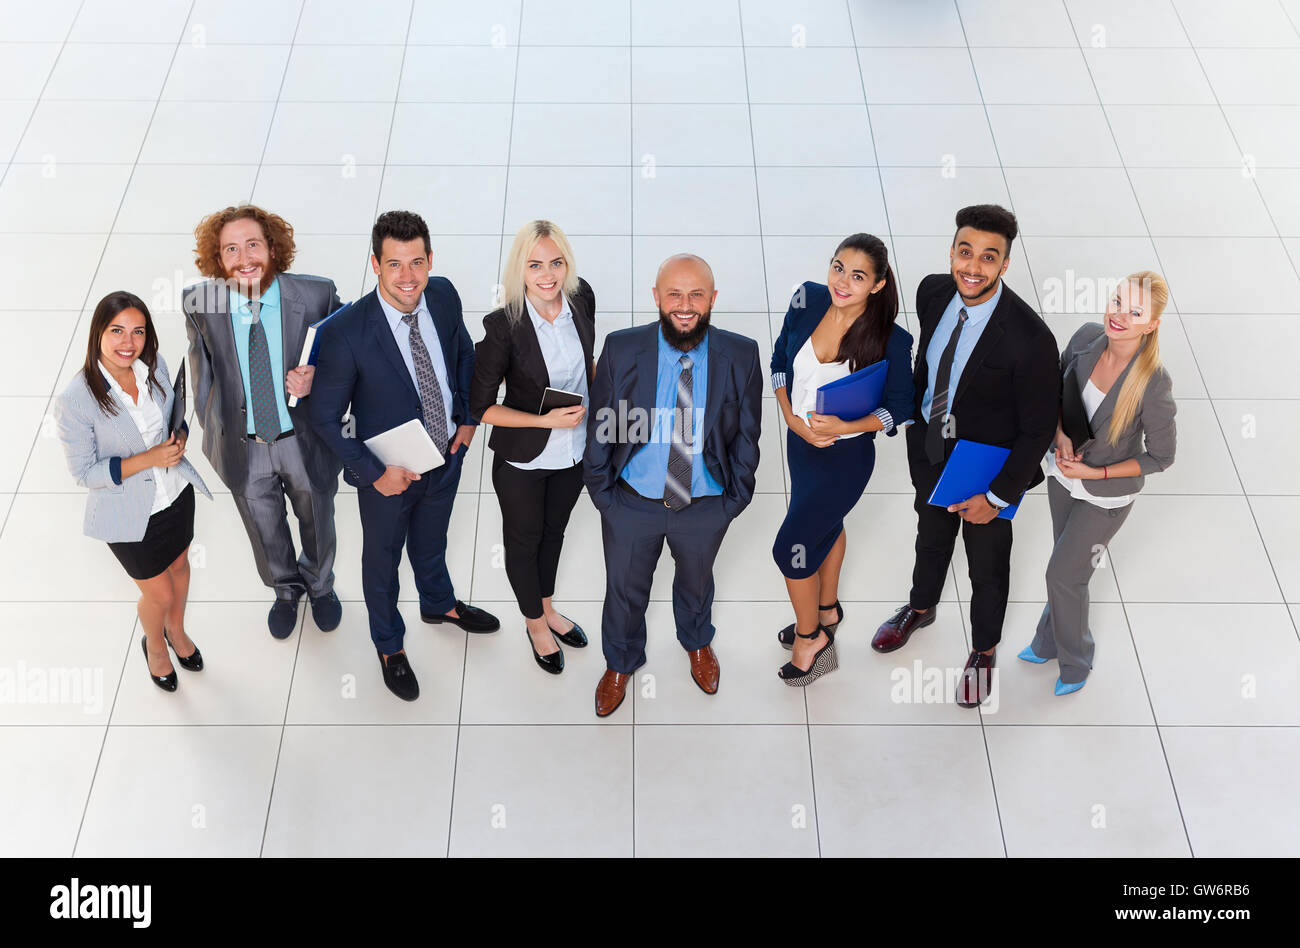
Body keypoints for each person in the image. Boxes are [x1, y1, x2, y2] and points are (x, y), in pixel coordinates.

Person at [871, 205, 1059, 708]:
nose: (972, 267)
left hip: (986, 471)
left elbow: (1038, 429)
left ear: (1006, 264)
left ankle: (983, 651)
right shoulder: (933, 291)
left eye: (988, 257)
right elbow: (926, 371)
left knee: (987, 566)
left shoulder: (1031, 339)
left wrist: (997, 496)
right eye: (965, 251)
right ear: (952, 250)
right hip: (931, 451)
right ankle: (921, 607)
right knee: (929, 538)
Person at [308, 210, 499, 702]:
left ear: (430, 259)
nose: (408, 277)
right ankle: (389, 645)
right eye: (395, 264)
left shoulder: (444, 294)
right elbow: (324, 418)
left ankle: (439, 604)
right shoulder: (346, 331)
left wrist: (469, 420)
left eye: (417, 262)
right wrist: (374, 474)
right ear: (375, 264)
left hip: (446, 455)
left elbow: (463, 356)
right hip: (389, 475)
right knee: (383, 560)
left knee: (433, 542)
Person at [584, 254, 763, 717]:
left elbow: (747, 433)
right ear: (657, 297)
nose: (685, 306)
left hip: (704, 503)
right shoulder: (622, 348)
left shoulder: (741, 354)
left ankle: (697, 643)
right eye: (674, 295)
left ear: (713, 298)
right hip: (632, 502)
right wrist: (605, 496)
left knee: (697, 583)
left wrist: (734, 500)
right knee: (623, 590)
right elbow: (603, 425)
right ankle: (620, 662)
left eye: (696, 295)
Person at [184, 204, 344, 640]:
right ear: (218, 259)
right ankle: (286, 588)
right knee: (263, 526)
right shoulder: (201, 303)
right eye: (230, 249)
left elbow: (351, 358)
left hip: (303, 436)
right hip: (244, 443)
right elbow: (203, 375)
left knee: (317, 517)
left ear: (273, 248)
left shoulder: (317, 296)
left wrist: (321, 379)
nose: (244, 258)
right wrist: (213, 430)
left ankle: (320, 584)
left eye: (253, 244)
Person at [1021, 271, 1176, 695]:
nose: (1119, 315)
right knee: (1062, 566)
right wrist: (1059, 434)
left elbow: (1161, 457)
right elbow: (1052, 390)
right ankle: (1047, 640)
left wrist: (1096, 473)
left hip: (1105, 494)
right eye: (1117, 301)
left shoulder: (1153, 384)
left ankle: (1076, 662)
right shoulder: (1087, 338)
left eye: (1135, 311)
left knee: (1065, 576)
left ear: (1151, 325)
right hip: (1062, 475)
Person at [770, 235, 915, 686]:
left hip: (845, 460)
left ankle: (812, 637)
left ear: (877, 284)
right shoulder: (807, 299)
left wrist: (844, 428)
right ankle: (827, 607)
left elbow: (901, 407)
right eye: (838, 268)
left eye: (857, 276)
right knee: (825, 526)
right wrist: (789, 416)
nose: (842, 282)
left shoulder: (891, 338)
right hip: (800, 446)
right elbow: (778, 360)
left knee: (789, 551)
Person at [56, 292, 212, 692]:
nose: (129, 342)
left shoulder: (154, 367)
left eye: (138, 331)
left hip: (174, 494)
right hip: (128, 513)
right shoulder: (76, 400)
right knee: (157, 592)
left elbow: (173, 416)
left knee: (180, 568)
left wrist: (179, 439)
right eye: (117, 331)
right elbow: (84, 473)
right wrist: (149, 458)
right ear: (98, 334)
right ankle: (156, 645)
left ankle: (177, 633)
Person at [470, 220, 595, 675]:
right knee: (524, 542)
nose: (548, 275)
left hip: (574, 452)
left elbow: (588, 364)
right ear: (519, 269)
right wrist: (543, 420)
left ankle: (547, 606)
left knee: (555, 533)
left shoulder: (582, 300)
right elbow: (481, 407)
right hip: (524, 458)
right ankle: (535, 623)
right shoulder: (503, 326)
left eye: (556, 262)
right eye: (535, 264)